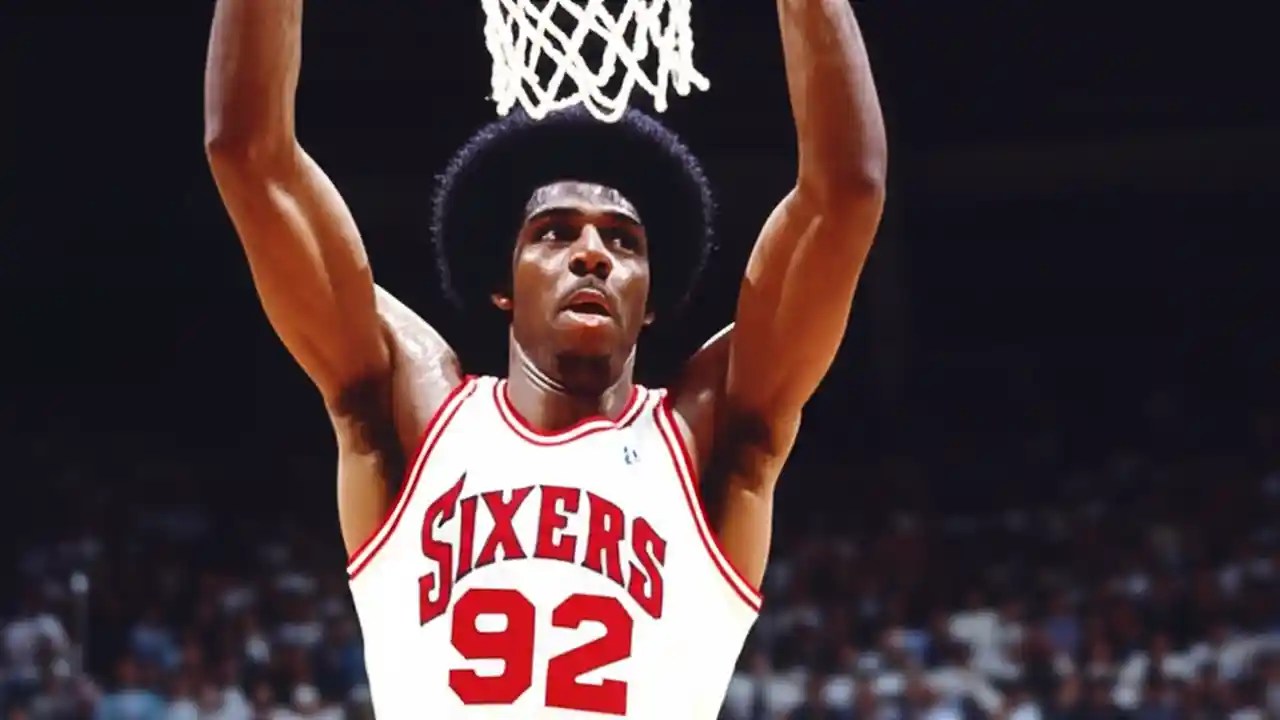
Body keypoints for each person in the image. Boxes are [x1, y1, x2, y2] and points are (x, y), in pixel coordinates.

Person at [202, 0, 886, 717]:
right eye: (555, 233)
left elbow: (847, 193)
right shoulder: (415, 412)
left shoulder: (707, 438)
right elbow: (248, 155)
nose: (591, 253)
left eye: (623, 242)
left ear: (651, 299)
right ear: (504, 285)